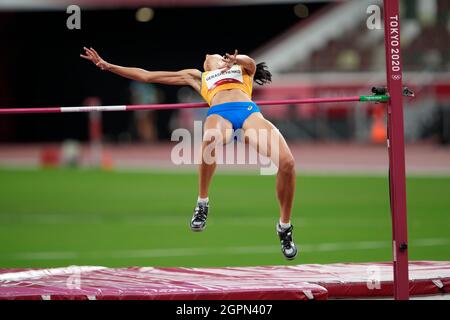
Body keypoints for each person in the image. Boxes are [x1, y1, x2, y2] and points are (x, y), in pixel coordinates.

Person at [80, 47, 298, 260]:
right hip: (220, 114)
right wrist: (108, 66)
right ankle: (202, 202)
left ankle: (284, 226)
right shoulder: (198, 77)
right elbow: (147, 76)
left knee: (287, 162)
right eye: (208, 57)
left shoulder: (242, 69)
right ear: (205, 66)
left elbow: (249, 61)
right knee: (211, 139)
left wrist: (236, 59)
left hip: (249, 112)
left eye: (216, 55)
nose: (210, 56)